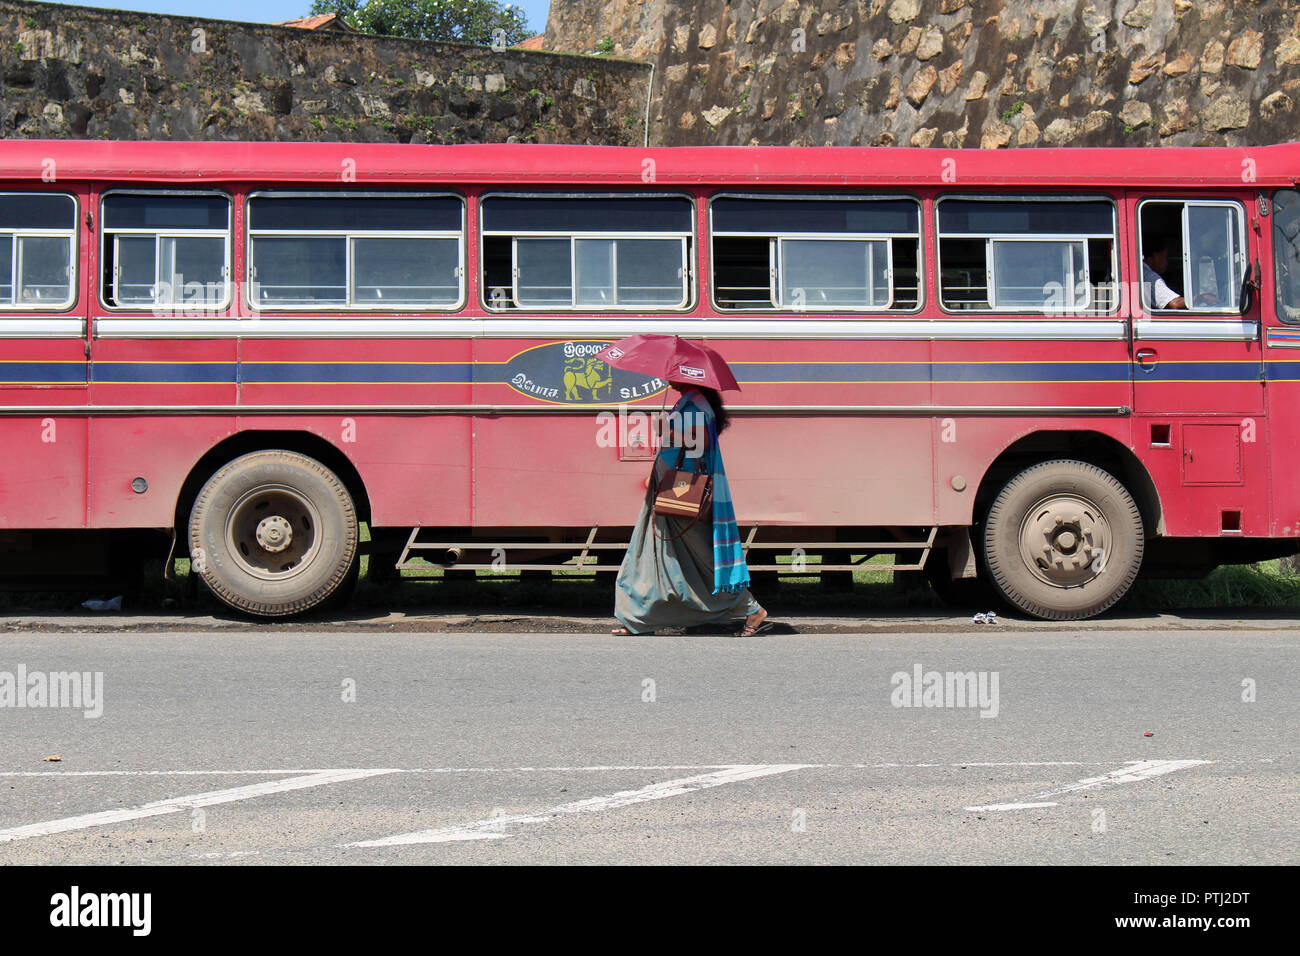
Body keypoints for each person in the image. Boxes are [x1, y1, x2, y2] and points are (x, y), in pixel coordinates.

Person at [611, 383, 771, 637]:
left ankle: (751, 608)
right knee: (658, 555)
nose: (670, 379)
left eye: (677, 374)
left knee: (698, 557)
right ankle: (638, 619)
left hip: (682, 492)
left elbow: (702, 443)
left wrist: (668, 432)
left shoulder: (697, 404)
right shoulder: (688, 402)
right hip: (669, 490)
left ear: (692, 378)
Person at [1141, 235, 1187, 310]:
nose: (1167, 263)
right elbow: (1174, 304)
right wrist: (1195, 300)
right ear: (1156, 256)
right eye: (1165, 257)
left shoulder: (1142, 272)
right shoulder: (1149, 276)